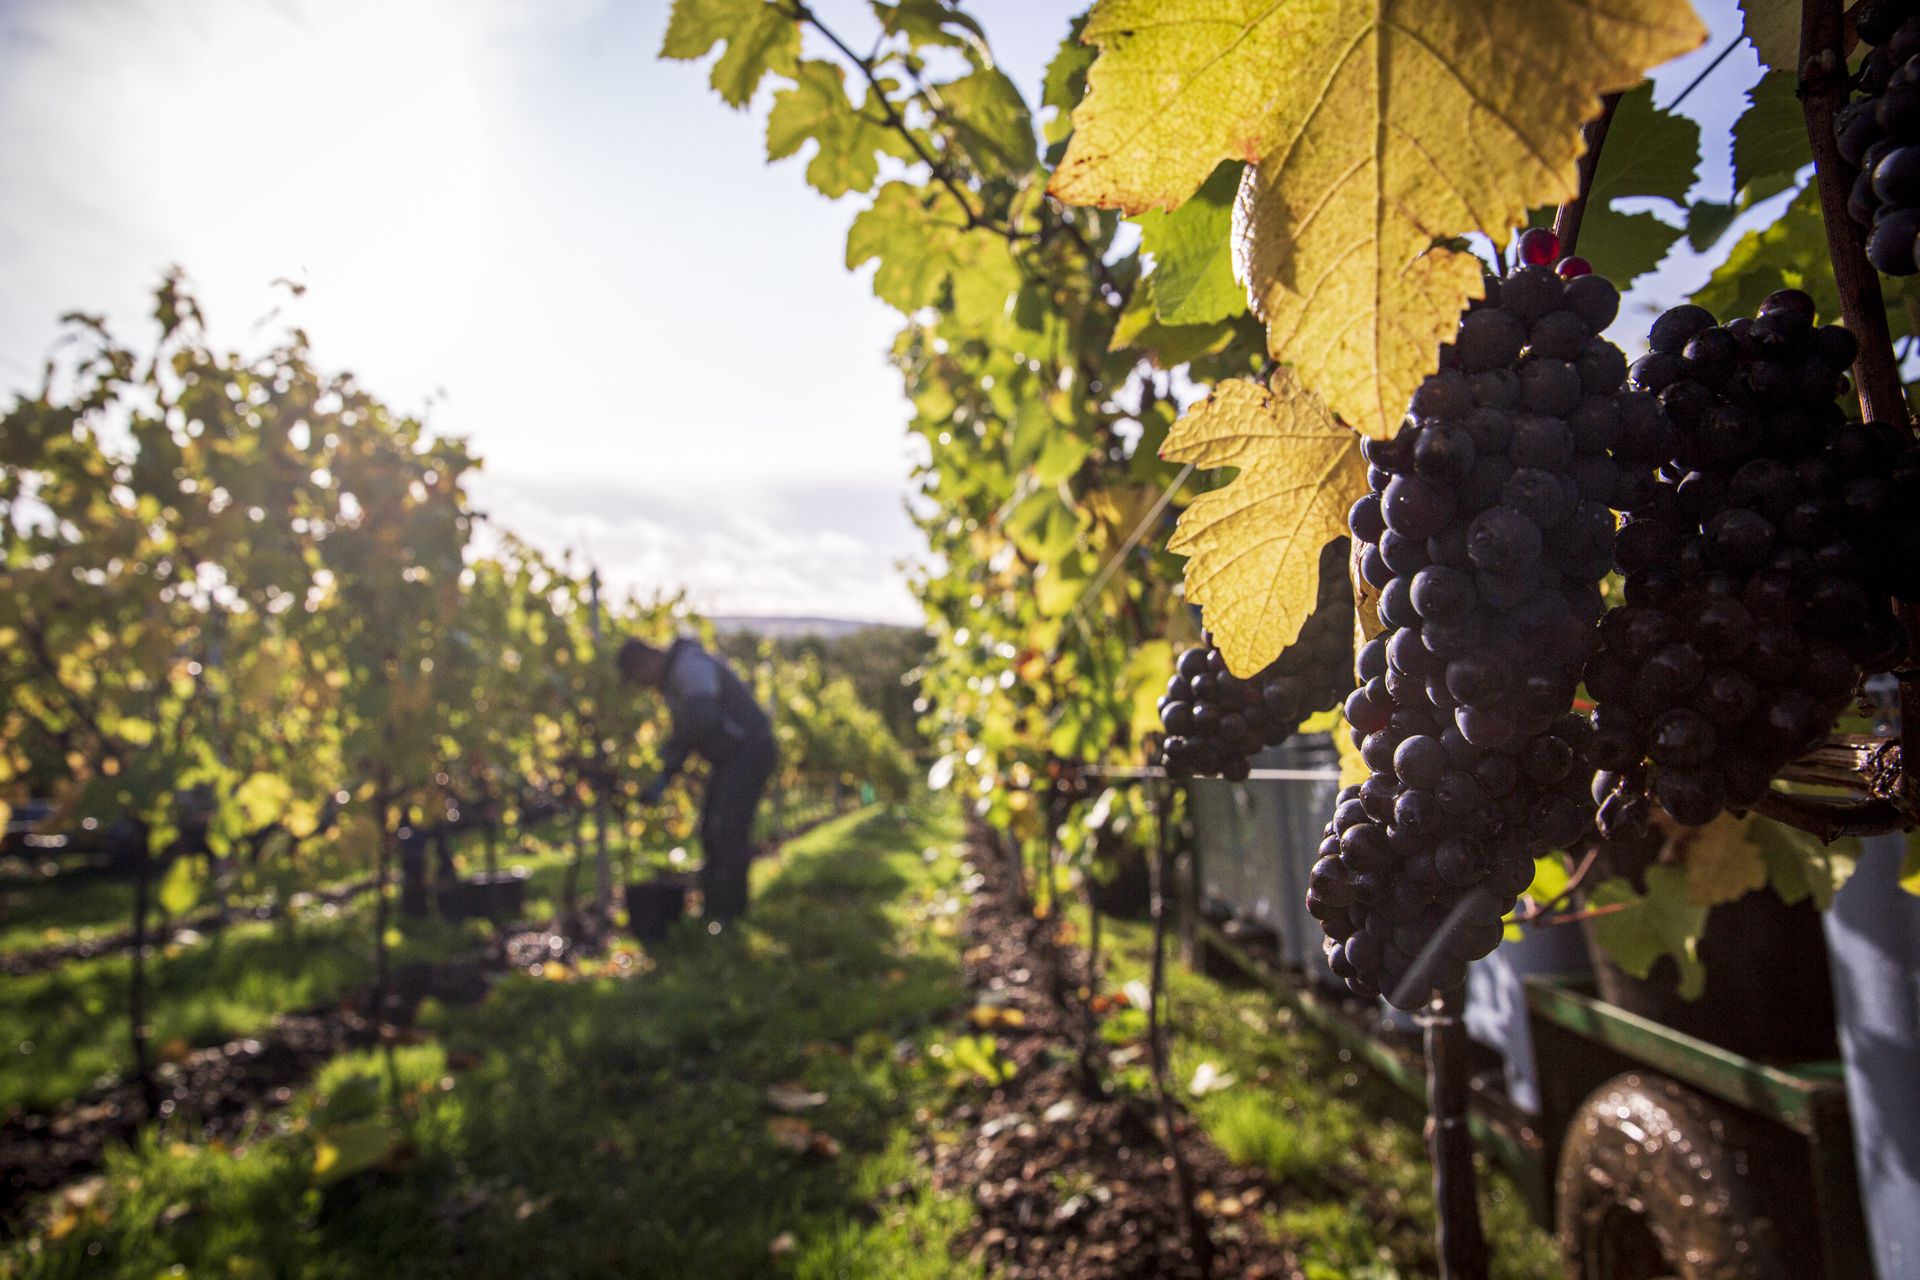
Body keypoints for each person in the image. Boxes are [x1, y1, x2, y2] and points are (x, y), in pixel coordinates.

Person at [617, 636, 777, 926]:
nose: (641, 685)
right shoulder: (675, 677)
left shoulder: (688, 666)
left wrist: (666, 767)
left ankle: (729, 916)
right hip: (732, 756)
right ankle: (717, 912)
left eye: (637, 676)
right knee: (712, 830)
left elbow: (701, 719)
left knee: (726, 829)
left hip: (749, 751)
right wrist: (666, 771)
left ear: (646, 661)